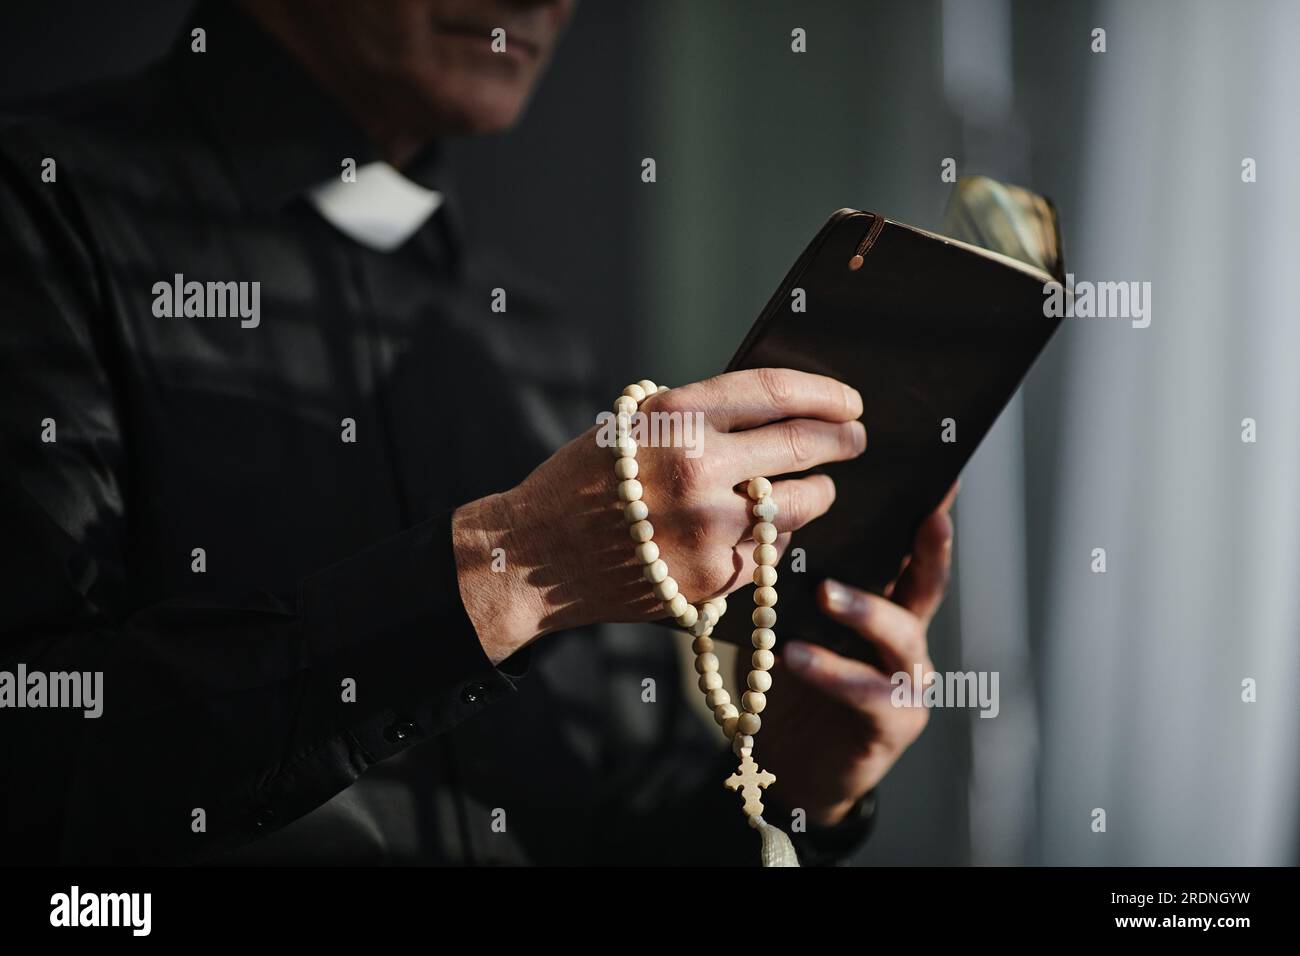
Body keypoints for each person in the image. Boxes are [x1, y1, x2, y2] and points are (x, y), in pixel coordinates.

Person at [0, 0, 953, 865]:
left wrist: (794, 788)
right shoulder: (37, 217)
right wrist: (516, 569)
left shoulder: (528, 340)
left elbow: (609, 829)